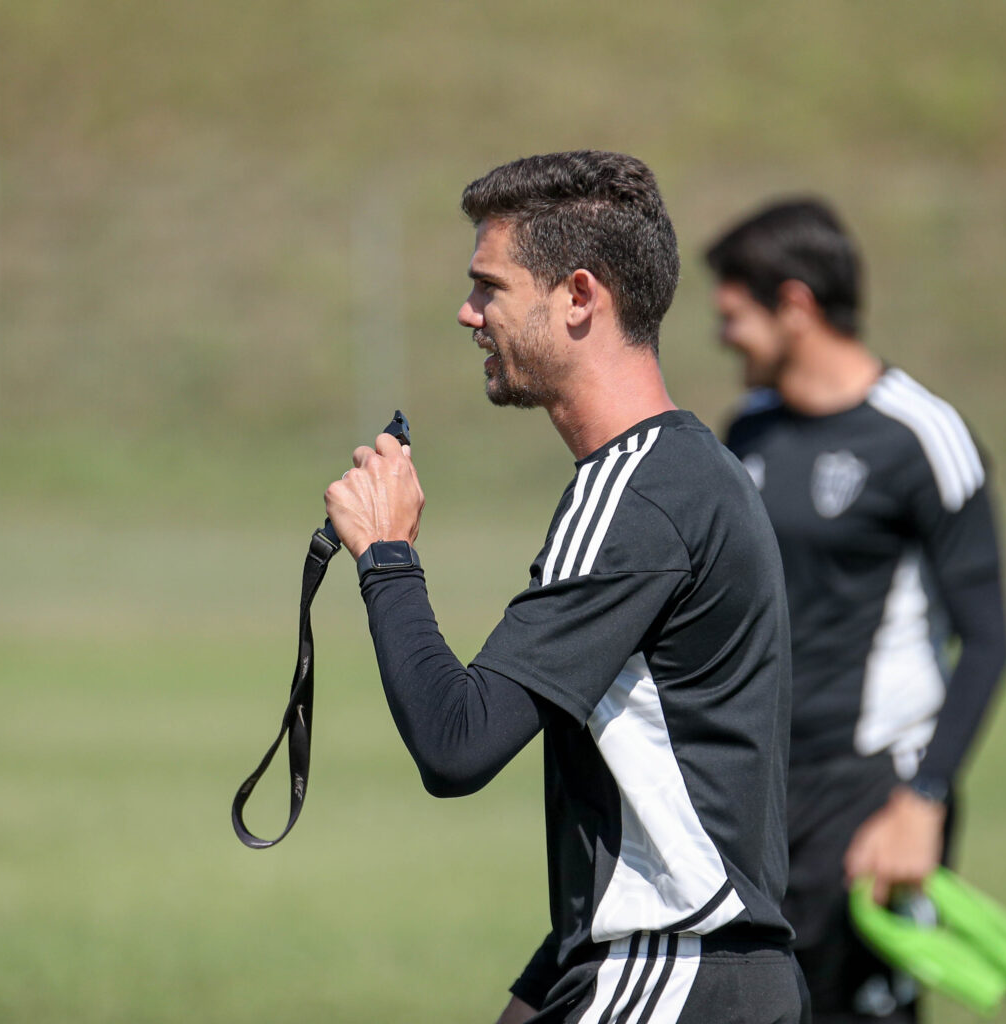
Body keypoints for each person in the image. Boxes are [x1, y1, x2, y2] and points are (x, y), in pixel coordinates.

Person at [323, 152, 805, 1024]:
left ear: (579, 296)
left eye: (489, 287)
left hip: (670, 975)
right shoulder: (696, 474)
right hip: (702, 975)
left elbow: (457, 742)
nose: (467, 313)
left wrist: (386, 556)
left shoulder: (636, 495)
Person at [704, 199, 1006, 1024]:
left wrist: (923, 803)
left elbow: (987, 641)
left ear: (796, 306)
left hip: (874, 784)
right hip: (764, 785)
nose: (722, 336)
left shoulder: (922, 435)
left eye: (734, 316)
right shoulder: (748, 431)